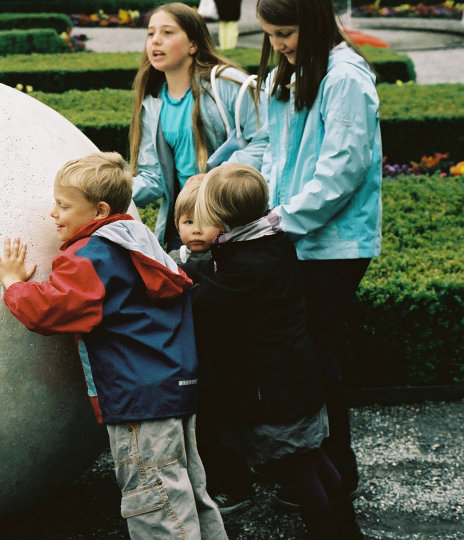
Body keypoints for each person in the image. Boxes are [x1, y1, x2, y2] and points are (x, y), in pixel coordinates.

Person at [0, 151, 228, 540]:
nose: (53, 214)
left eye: (63, 205)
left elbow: (50, 310)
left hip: (137, 400)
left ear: (99, 210)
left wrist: (13, 284)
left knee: (155, 506)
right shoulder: (136, 237)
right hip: (171, 390)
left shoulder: (92, 256)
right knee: (186, 496)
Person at [186, 162, 363, 539]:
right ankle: (343, 523)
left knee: (298, 468)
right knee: (313, 455)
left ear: (219, 215)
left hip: (278, 390)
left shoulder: (245, 267)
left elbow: (202, 301)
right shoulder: (272, 240)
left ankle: (326, 530)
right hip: (299, 378)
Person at [255, 0, 382, 509]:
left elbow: (343, 169)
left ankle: (337, 473)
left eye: (285, 32)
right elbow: (270, 149)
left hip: (336, 243)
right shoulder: (288, 72)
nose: (279, 44)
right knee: (303, 357)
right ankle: (316, 467)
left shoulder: (346, 75)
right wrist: (252, 204)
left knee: (316, 356)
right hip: (296, 234)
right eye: (271, 35)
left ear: (312, 21)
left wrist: (279, 221)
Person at [130, 1, 265, 250]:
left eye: (167, 32)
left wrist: (218, 178)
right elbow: (154, 177)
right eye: (151, 33)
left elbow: (265, 141)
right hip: (184, 230)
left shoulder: (225, 83)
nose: (155, 41)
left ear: (193, 44)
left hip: (231, 224)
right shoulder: (153, 102)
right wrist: (107, 193)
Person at [168, 179, 256, 515]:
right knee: (199, 427)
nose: (196, 231)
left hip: (221, 359)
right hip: (190, 357)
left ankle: (235, 486)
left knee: (223, 427)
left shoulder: (224, 262)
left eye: (205, 222)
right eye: (188, 222)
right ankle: (208, 482)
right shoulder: (174, 257)